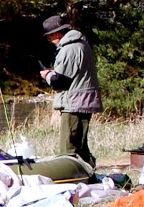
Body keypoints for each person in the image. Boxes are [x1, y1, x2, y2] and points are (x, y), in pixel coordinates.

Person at [39, 14, 101, 167]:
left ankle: (73, 180)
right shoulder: (82, 44)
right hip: (84, 100)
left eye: (49, 37)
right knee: (81, 146)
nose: (49, 40)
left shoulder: (69, 49)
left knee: (68, 148)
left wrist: (47, 75)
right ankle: (89, 174)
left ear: (56, 34)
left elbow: (59, 82)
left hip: (74, 103)